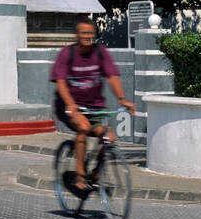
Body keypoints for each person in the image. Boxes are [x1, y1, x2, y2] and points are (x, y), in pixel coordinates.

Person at [50, 18, 136, 197]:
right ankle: (80, 176)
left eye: (91, 33)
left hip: (96, 108)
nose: (88, 37)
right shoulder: (67, 53)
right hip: (69, 107)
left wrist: (122, 100)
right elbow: (61, 83)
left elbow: (112, 76)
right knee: (83, 127)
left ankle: (95, 176)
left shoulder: (101, 52)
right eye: (84, 33)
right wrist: (71, 104)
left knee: (108, 138)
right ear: (77, 35)